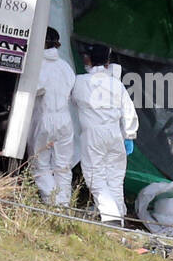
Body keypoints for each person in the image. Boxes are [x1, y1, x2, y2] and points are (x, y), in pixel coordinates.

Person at [71, 43, 138, 224]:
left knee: (95, 176)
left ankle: (111, 217)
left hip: (93, 134)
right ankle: (120, 218)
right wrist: (130, 135)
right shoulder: (116, 84)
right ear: (108, 62)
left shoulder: (80, 81)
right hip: (115, 133)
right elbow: (129, 111)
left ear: (88, 60)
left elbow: (69, 100)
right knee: (115, 178)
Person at [30, 27, 76, 206]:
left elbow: (36, 88)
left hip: (45, 119)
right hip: (65, 120)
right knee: (63, 166)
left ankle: (52, 204)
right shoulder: (65, 66)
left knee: (40, 164)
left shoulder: (38, 64)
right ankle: (64, 204)